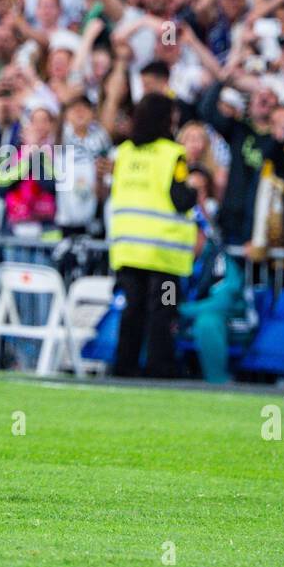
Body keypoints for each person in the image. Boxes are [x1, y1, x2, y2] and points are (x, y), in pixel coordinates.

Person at [108, 93, 198, 377]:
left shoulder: (123, 153)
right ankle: (161, 366)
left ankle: (125, 366)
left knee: (132, 310)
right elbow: (180, 198)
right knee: (164, 310)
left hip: (129, 249)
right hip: (162, 252)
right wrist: (194, 191)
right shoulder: (173, 154)